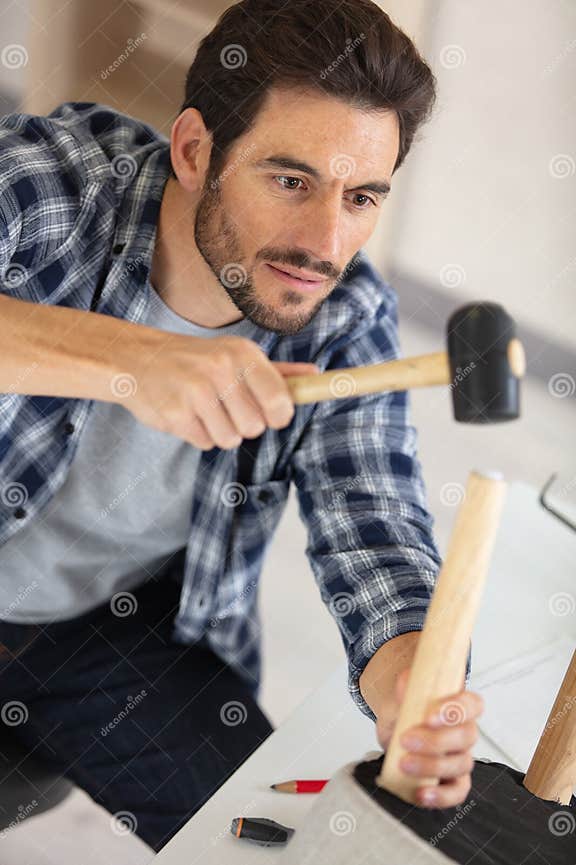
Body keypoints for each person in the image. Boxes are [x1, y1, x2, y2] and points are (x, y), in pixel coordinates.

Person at [0, 0, 483, 852]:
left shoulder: (346, 320)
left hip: (113, 633)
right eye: (291, 180)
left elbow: (376, 527)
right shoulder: (53, 182)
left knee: (276, 841)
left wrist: (411, 675)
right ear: (195, 151)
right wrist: (131, 360)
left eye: (360, 196)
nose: (324, 242)